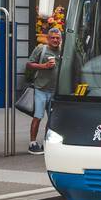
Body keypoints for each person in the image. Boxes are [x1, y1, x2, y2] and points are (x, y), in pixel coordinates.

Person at [26, 27, 62, 155]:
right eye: (52, 38)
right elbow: (29, 64)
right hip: (41, 89)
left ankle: (47, 143)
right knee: (38, 116)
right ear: (48, 39)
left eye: (57, 38)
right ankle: (32, 143)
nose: (55, 40)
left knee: (52, 119)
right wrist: (44, 66)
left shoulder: (63, 51)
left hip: (55, 91)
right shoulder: (41, 49)